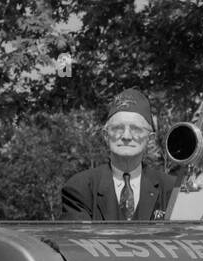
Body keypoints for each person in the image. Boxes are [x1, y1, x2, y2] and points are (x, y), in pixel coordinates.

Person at [61, 88, 177, 221]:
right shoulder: (80, 188)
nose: (126, 136)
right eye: (117, 128)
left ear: (149, 139)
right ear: (105, 135)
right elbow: (76, 240)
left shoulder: (171, 190)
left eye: (136, 129)